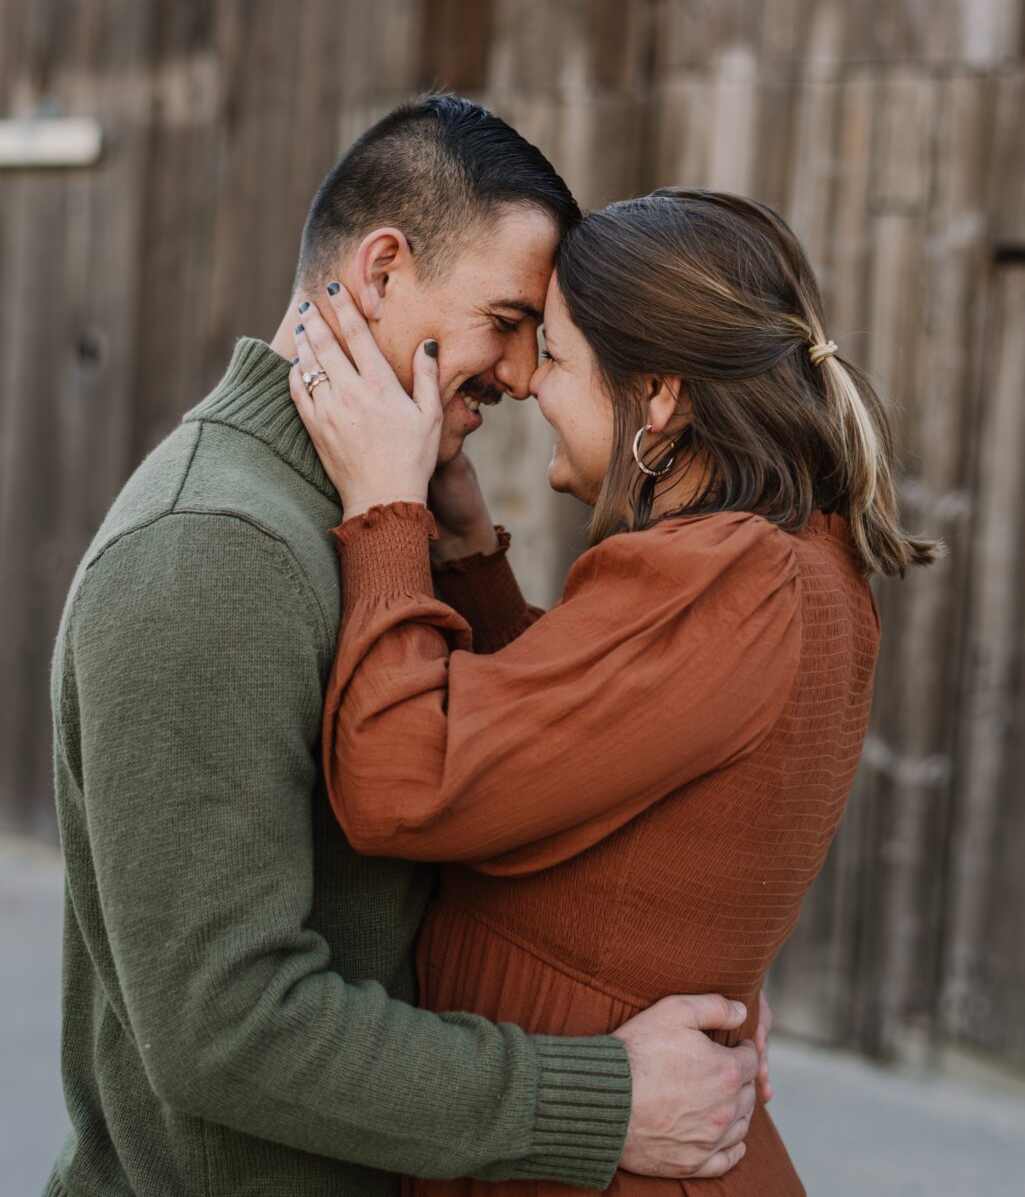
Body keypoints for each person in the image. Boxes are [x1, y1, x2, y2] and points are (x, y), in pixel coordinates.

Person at [46, 99, 767, 1197]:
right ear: (381, 271)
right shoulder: (210, 550)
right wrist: (601, 1098)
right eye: (506, 320)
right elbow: (225, 1027)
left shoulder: (372, 509)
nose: (523, 377)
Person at [289, 187, 940, 1197]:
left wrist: (384, 513)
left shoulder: (728, 578)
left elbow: (401, 781)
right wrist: (462, 549)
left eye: (550, 353)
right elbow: (575, 743)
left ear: (661, 398)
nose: (526, 384)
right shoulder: (790, 563)